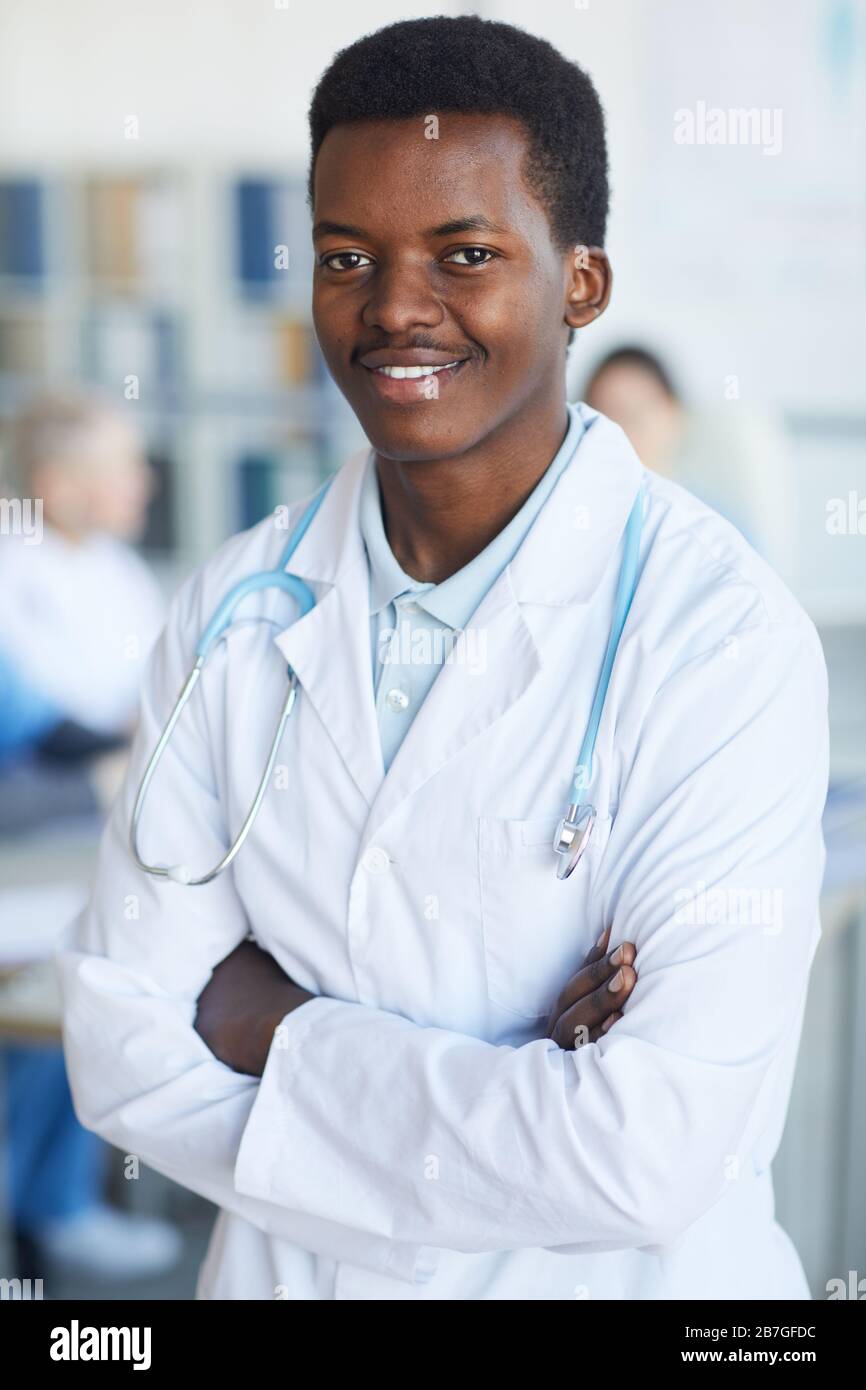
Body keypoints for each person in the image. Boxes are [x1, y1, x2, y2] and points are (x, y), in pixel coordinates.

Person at [57, 16, 827, 1301]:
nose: (395, 307)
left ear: (581, 281)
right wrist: (514, 1091)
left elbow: (648, 1158)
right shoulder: (233, 610)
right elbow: (120, 1049)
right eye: (347, 255)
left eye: (464, 254)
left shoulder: (718, 639)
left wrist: (274, 1028)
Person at [0, 388, 181, 1280]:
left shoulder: (119, 572)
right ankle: (43, 1209)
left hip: (90, 840)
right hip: (26, 853)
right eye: (116, 467)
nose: (140, 482)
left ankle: (55, 1204)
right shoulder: (11, 567)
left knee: (85, 1005)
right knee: (47, 1012)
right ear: (54, 482)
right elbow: (44, 733)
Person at [583, 345, 797, 573]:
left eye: (635, 415)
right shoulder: (578, 516)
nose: (622, 431)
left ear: (675, 416)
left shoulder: (715, 525)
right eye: (606, 416)